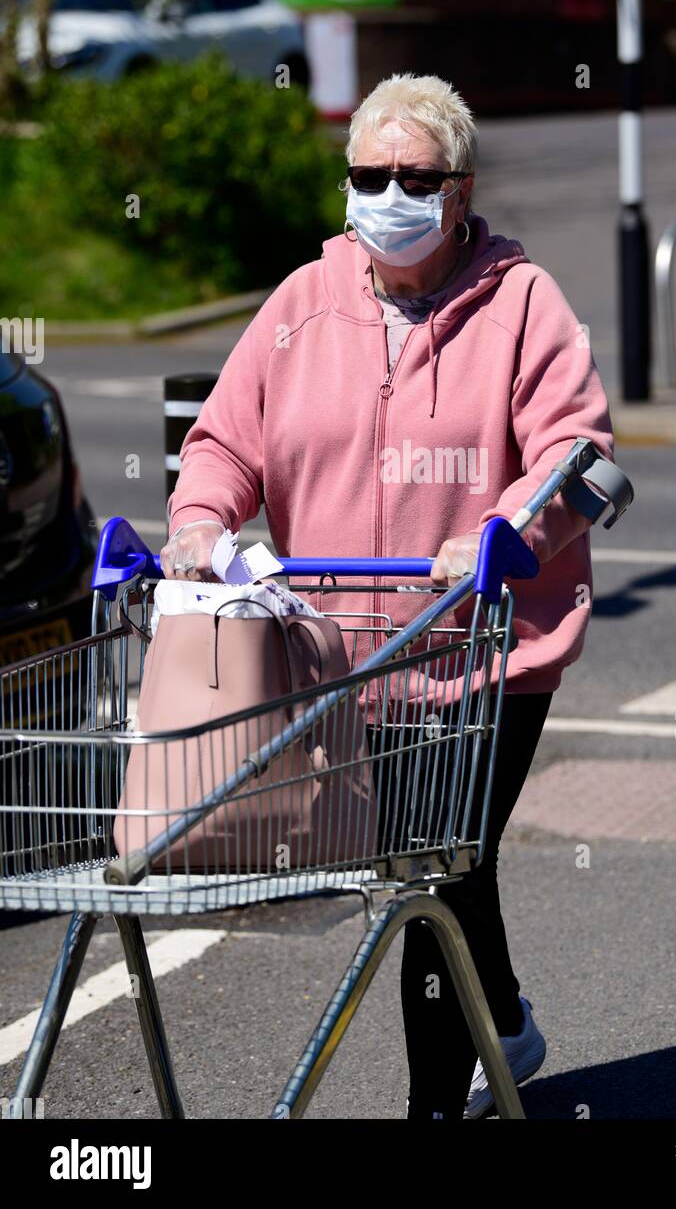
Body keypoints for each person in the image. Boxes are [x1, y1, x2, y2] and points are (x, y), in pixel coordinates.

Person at [160, 72, 614, 1120]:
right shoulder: (300, 305)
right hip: (352, 649)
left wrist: (506, 531)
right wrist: (201, 520)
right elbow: (225, 439)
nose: (389, 193)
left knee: (429, 873)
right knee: (443, 863)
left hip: (489, 647)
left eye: (415, 175)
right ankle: (501, 1022)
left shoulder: (522, 302)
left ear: (459, 191)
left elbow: (573, 452)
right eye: (370, 174)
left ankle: (429, 1107)